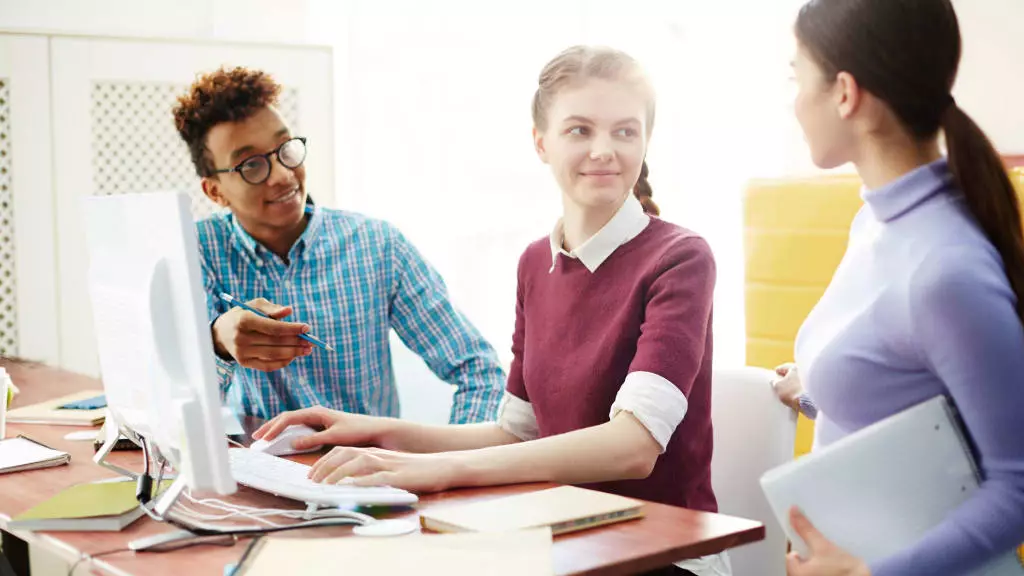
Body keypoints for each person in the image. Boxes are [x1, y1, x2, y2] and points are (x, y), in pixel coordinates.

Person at [255, 46, 727, 576]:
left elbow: (633, 447)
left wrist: (438, 469)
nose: (604, 150)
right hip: (564, 537)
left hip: (663, 553)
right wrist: (373, 431)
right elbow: (518, 432)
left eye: (625, 131)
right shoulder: (535, 263)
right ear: (540, 142)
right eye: (579, 130)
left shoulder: (680, 258)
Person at [767, 0, 1024, 574]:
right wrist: (817, 393)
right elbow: (913, 401)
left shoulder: (945, 269)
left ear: (844, 93)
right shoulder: (877, 222)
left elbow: (1018, 486)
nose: (793, 102)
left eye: (796, 77)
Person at [171, 67, 505, 423]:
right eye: (252, 165)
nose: (284, 175)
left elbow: (479, 371)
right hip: (254, 472)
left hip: (366, 470)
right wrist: (217, 343)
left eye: (285, 149)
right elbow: (175, 403)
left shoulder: (377, 246)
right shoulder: (195, 251)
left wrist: (453, 466)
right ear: (215, 191)